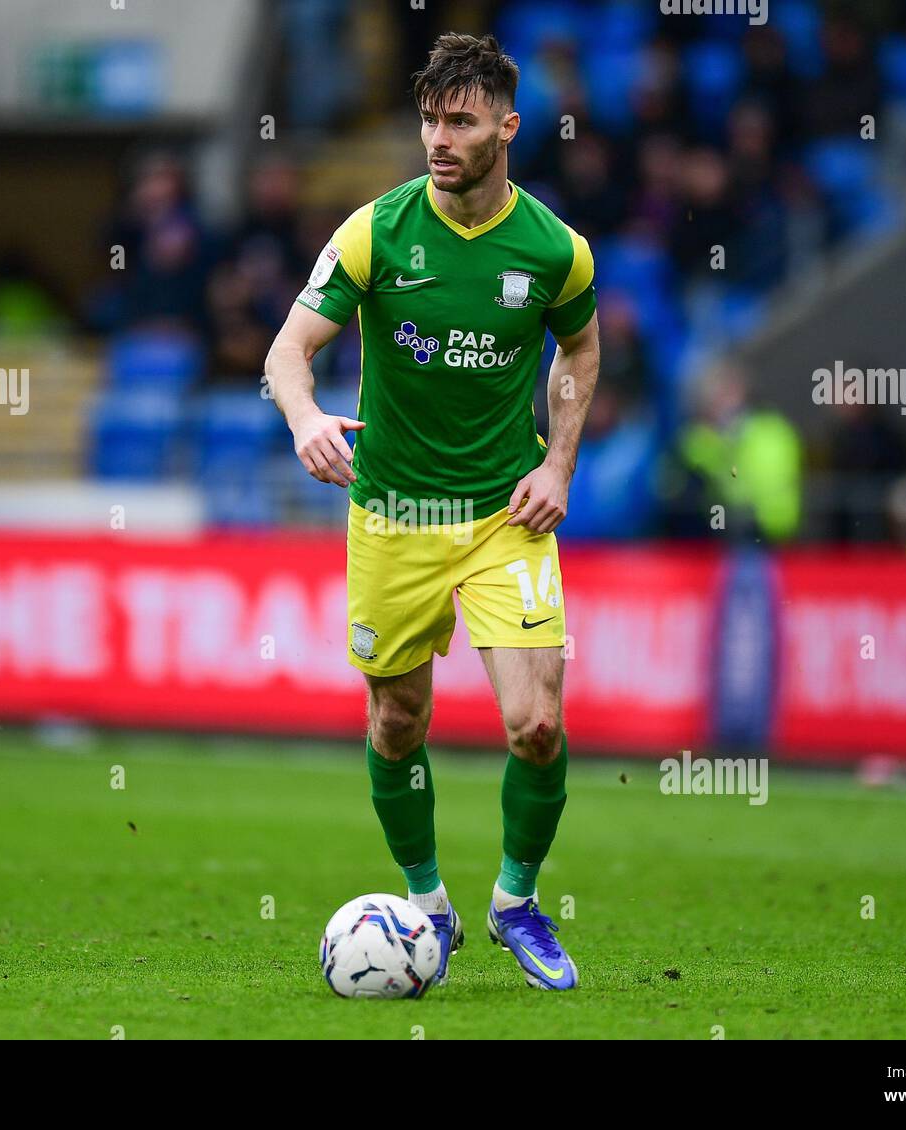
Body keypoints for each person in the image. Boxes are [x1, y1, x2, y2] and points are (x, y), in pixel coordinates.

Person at [264, 33, 600, 991]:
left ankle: (515, 902)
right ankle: (430, 905)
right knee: (396, 722)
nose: (438, 139)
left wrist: (560, 466)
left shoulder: (556, 250)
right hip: (391, 514)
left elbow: (581, 353)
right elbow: (288, 351)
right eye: (428, 120)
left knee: (537, 725)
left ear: (508, 127)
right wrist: (304, 419)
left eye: (459, 121)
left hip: (505, 516)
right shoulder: (375, 232)